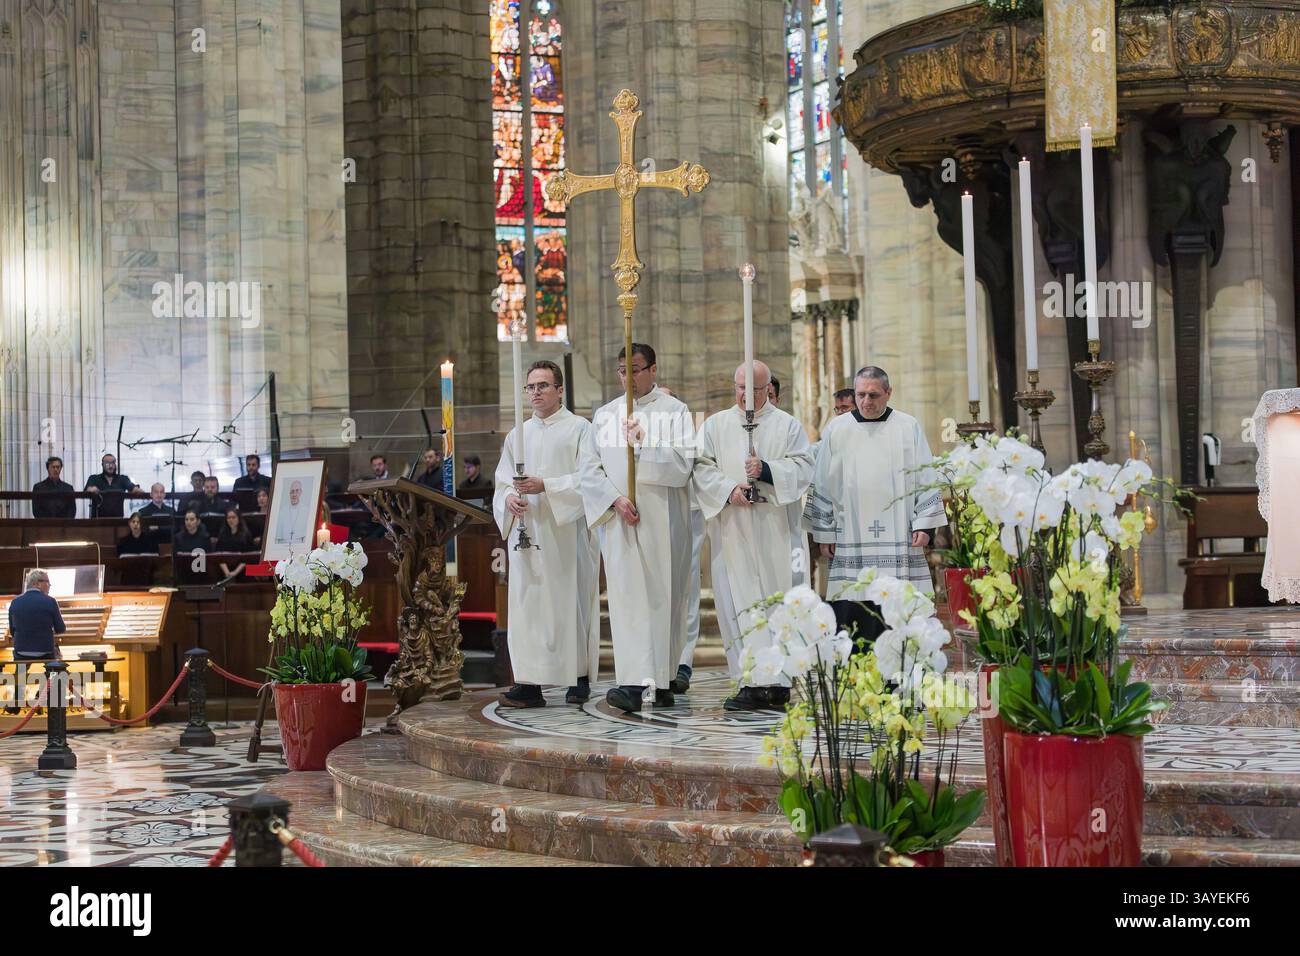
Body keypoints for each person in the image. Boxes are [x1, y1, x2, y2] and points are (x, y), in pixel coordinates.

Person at [579, 343, 695, 713]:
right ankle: (632, 682)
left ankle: (661, 681)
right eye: (622, 370)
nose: (628, 377)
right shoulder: (605, 415)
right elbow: (589, 469)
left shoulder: (675, 412)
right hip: (621, 522)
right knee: (628, 603)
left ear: (653, 370)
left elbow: (682, 466)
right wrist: (614, 498)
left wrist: (646, 444)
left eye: (636, 369)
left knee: (664, 598)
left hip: (662, 523)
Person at [694, 360, 815, 710]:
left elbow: (805, 468)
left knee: (777, 600)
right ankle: (748, 681)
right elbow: (701, 469)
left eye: (756, 389)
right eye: (741, 387)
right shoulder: (716, 426)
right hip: (733, 530)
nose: (747, 395)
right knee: (738, 603)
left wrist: (767, 470)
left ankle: (778, 683)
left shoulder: (787, 425)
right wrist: (729, 489)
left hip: (776, 532)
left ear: (768, 390)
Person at [803, 366, 945, 643]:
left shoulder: (907, 427)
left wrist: (925, 526)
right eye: (860, 395)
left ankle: (901, 671)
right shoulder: (837, 429)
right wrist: (825, 533)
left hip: (899, 535)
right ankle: (858, 671)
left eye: (873, 395)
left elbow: (925, 476)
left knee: (899, 609)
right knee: (853, 608)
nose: (866, 402)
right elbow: (822, 482)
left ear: (888, 393)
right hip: (849, 535)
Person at [493, 360, 600, 708]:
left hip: (564, 533)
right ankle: (528, 682)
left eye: (543, 386)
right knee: (527, 606)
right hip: (526, 534)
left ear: (560, 390)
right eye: (531, 387)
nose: (536, 393)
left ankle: (577, 676)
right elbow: (501, 482)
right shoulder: (516, 435)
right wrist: (509, 499)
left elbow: (590, 480)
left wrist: (547, 486)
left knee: (568, 602)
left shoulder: (579, 429)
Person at [654, 384, 702, 696]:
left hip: (688, 513)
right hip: (651, 518)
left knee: (687, 588)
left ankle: (682, 662)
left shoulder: (685, 433)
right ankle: (659, 664)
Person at [8, 569, 65, 660]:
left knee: (21, 671)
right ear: (36, 583)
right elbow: (61, 629)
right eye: (47, 582)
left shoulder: (15, 602)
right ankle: (53, 674)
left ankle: (19, 674)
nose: (49, 585)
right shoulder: (50, 601)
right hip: (45, 651)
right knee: (55, 665)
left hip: (21, 651)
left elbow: (12, 631)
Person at [84, 454, 139, 519]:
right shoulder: (94, 478)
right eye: (107, 463)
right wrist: (91, 489)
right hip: (97, 521)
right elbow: (87, 490)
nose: (110, 466)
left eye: (113, 463)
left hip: (117, 521)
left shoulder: (123, 479)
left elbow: (133, 488)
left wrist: (137, 490)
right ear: (102, 465)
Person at [216, 507, 256, 578]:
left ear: (239, 519)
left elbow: (248, 556)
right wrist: (227, 572)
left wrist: (235, 572)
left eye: (233, 517)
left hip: (242, 568)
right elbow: (219, 555)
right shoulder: (222, 534)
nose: (231, 520)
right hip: (225, 569)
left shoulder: (246, 534)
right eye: (229, 518)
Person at [273, 479, 311, 546]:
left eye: (297, 491)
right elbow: (278, 536)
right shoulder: (282, 511)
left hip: (300, 547)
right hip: (284, 546)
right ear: (289, 494)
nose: (294, 494)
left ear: (300, 492)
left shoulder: (306, 511)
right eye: (292, 491)